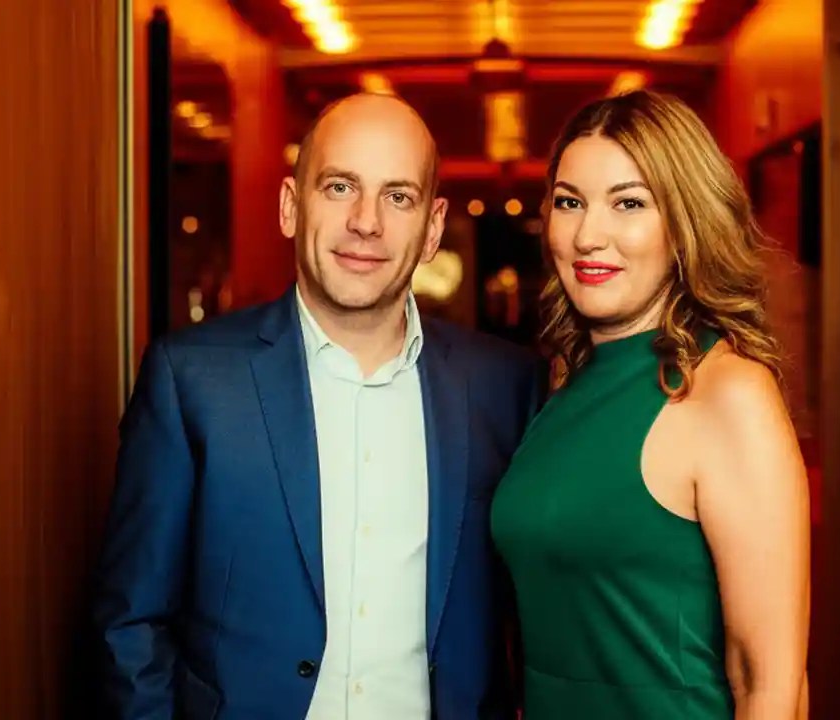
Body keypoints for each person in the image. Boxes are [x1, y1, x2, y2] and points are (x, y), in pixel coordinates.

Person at [93, 93, 543, 719]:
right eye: (339, 187)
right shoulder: (191, 379)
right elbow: (132, 622)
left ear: (433, 227)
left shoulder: (504, 386)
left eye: (398, 196)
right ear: (289, 206)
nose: (367, 221)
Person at [491, 89, 810, 719]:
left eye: (629, 204)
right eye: (569, 202)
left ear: (684, 222)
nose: (588, 234)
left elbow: (770, 682)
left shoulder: (728, 392)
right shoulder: (565, 380)